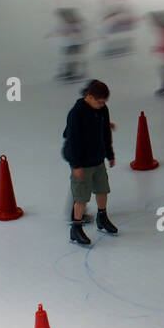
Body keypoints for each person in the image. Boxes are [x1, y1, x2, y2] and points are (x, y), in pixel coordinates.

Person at [62, 79, 118, 245]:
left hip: (97, 159)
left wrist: (110, 154)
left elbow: (105, 134)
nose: (102, 105)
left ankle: (102, 217)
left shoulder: (102, 110)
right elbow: (72, 142)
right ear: (90, 97)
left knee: (102, 189)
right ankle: (76, 228)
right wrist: (76, 165)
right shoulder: (76, 113)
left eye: (104, 102)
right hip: (82, 162)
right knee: (81, 197)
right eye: (99, 102)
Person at [50, 8, 89, 81]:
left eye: (64, 16)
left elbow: (81, 29)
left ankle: (77, 73)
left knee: (75, 58)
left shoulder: (77, 22)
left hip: (78, 43)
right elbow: (59, 30)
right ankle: (69, 72)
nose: (63, 18)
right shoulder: (64, 23)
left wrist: (71, 31)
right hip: (69, 43)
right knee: (67, 58)